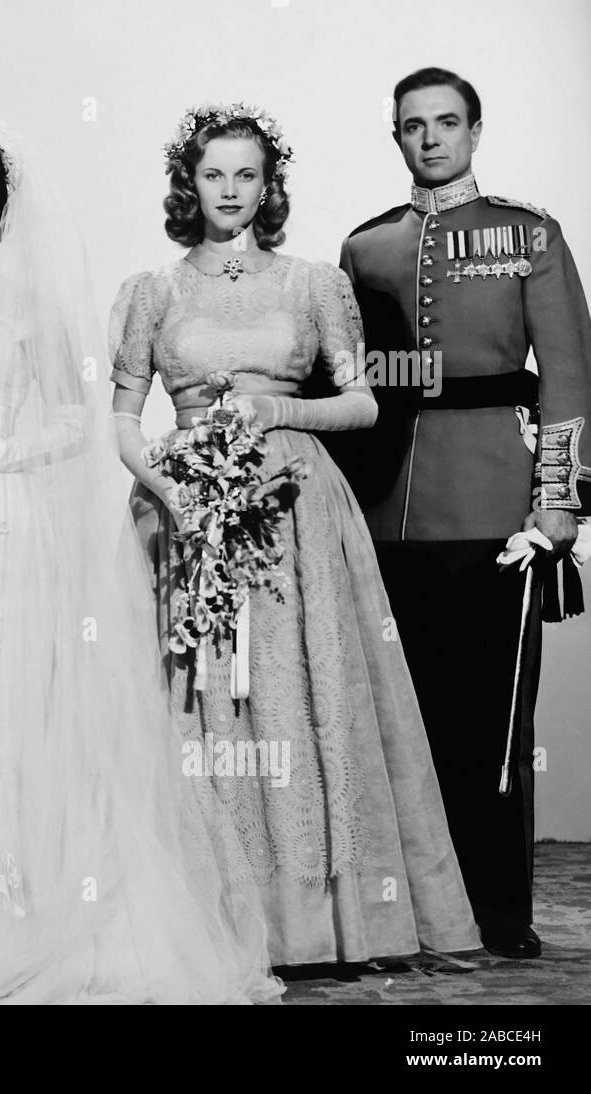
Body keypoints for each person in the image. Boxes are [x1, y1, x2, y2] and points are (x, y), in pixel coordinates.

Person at [0, 105, 280, 1003]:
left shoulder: (29, 301)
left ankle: (17, 924)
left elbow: (76, 420)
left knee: (2, 719)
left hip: (4, 532)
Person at [109, 103, 480, 969]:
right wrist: (176, 494)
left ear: (268, 186)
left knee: (302, 694)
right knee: (206, 705)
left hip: (298, 509)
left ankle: (320, 923)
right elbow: (124, 421)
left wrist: (274, 410)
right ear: (187, 185)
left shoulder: (314, 282)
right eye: (213, 175)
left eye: (247, 175)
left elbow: (364, 401)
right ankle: (212, 913)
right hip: (186, 512)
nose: (230, 191)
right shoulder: (151, 293)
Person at [322, 68, 591, 959]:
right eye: (412, 126)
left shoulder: (530, 233)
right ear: (393, 137)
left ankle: (499, 913)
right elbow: (356, 381)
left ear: (476, 130)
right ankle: (418, 915)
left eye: (446, 123)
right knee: (405, 722)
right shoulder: (367, 249)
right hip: (390, 509)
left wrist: (557, 499)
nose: (430, 139)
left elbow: (568, 379)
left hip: (495, 507)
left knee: (494, 729)